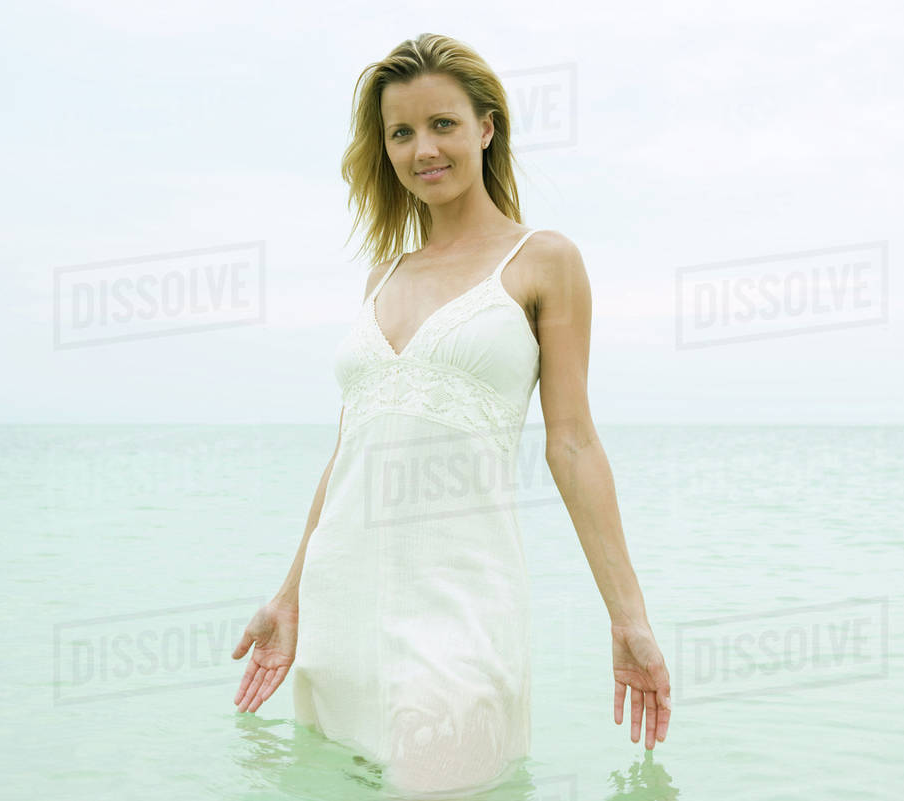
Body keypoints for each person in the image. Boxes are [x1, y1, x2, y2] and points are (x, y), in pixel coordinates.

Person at [231, 32, 671, 797]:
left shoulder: (543, 260)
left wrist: (627, 617)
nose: (422, 148)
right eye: (401, 132)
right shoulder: (381, 275)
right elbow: (348, 456)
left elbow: (572, 443)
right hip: (343, 607)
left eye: (443, 124)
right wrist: (289, 595)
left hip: (462, 603)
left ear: (487, 127)